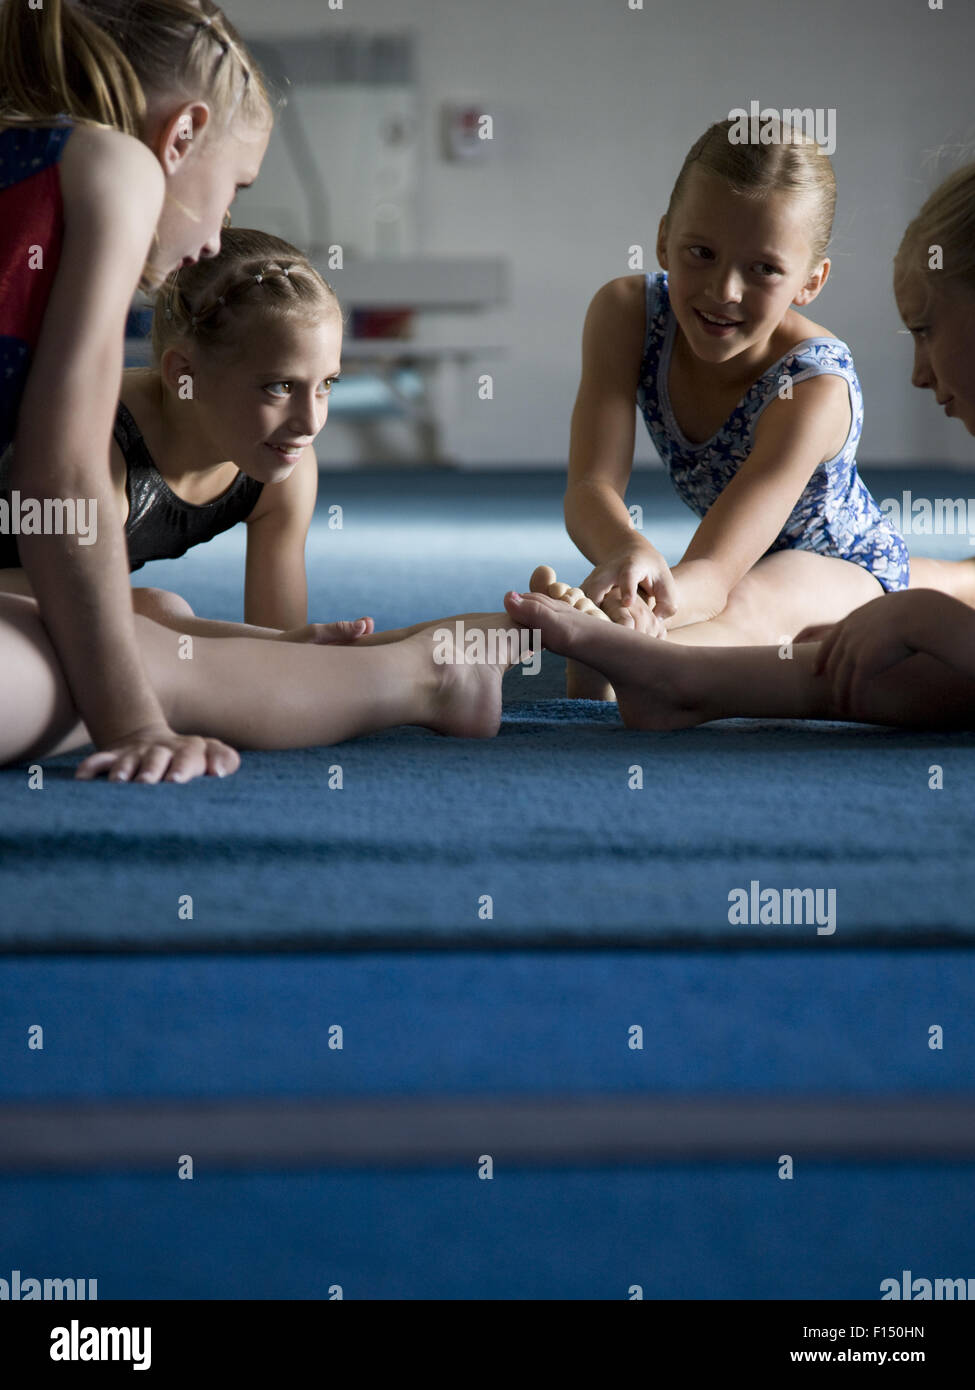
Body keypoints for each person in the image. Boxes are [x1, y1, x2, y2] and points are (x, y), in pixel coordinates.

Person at [505, 161, 975, 734]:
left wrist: (639, 618)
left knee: (759, 603)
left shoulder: (813, 385)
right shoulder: (627, 313)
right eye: (700, 253)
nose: (724, 290)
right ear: (662, 239)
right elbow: (590, 487)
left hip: (840, 561)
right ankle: (615, 644)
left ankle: (647, 665)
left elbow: (715, 571)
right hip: (737, 559)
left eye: (763, 269)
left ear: (810, 282)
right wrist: (624, 551)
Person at [0, 0, 271, 782]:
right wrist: (133, 722)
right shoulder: (116, 168)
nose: (219, 236)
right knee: (140, 657)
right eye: (235, 189)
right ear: (181, 135)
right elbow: (59, 480)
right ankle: (414, 679)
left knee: (143, 619)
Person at [1, 227, 378, 645]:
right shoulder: (96, 453)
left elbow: (283, 643)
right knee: (150, 614)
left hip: (55, 591)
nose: (310, 423)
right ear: (184, 374)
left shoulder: (285, 463)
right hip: (43, 587)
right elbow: (82, 623)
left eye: (327, 384)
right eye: (281, 387)